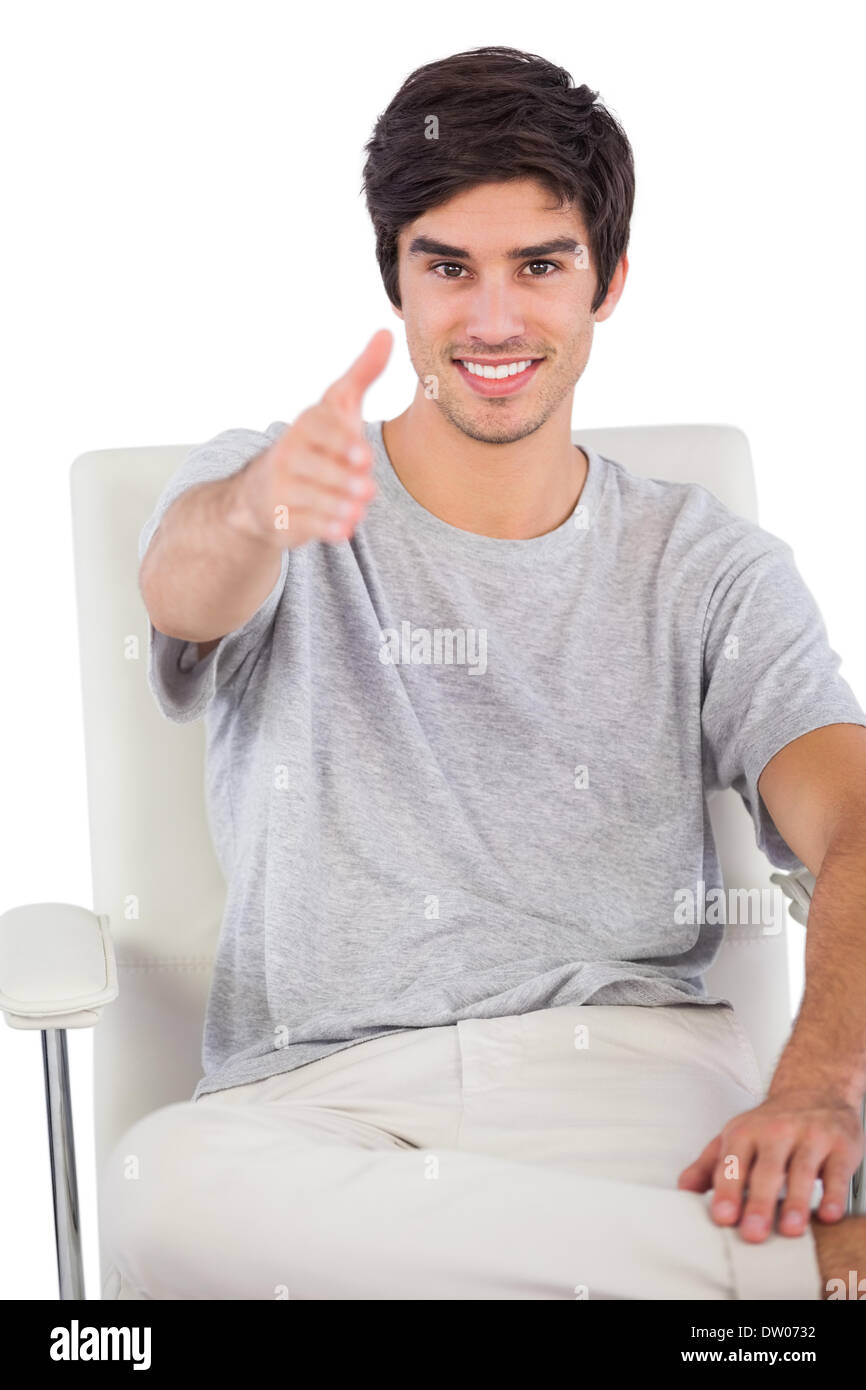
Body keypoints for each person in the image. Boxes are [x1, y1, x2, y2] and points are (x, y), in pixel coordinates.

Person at [101, 46, 866, 1301]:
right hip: (319, 1113)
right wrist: (256, 514)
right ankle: (772, 1294)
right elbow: (182, 585)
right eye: (446, 267)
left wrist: (819, 1085)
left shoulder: (707, 565)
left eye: (540, 266)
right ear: (395, 284)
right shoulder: (271, 484)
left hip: (626, 1096)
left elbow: (853, 818)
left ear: (607, 281)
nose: (494, 320)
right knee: (161, 1187)